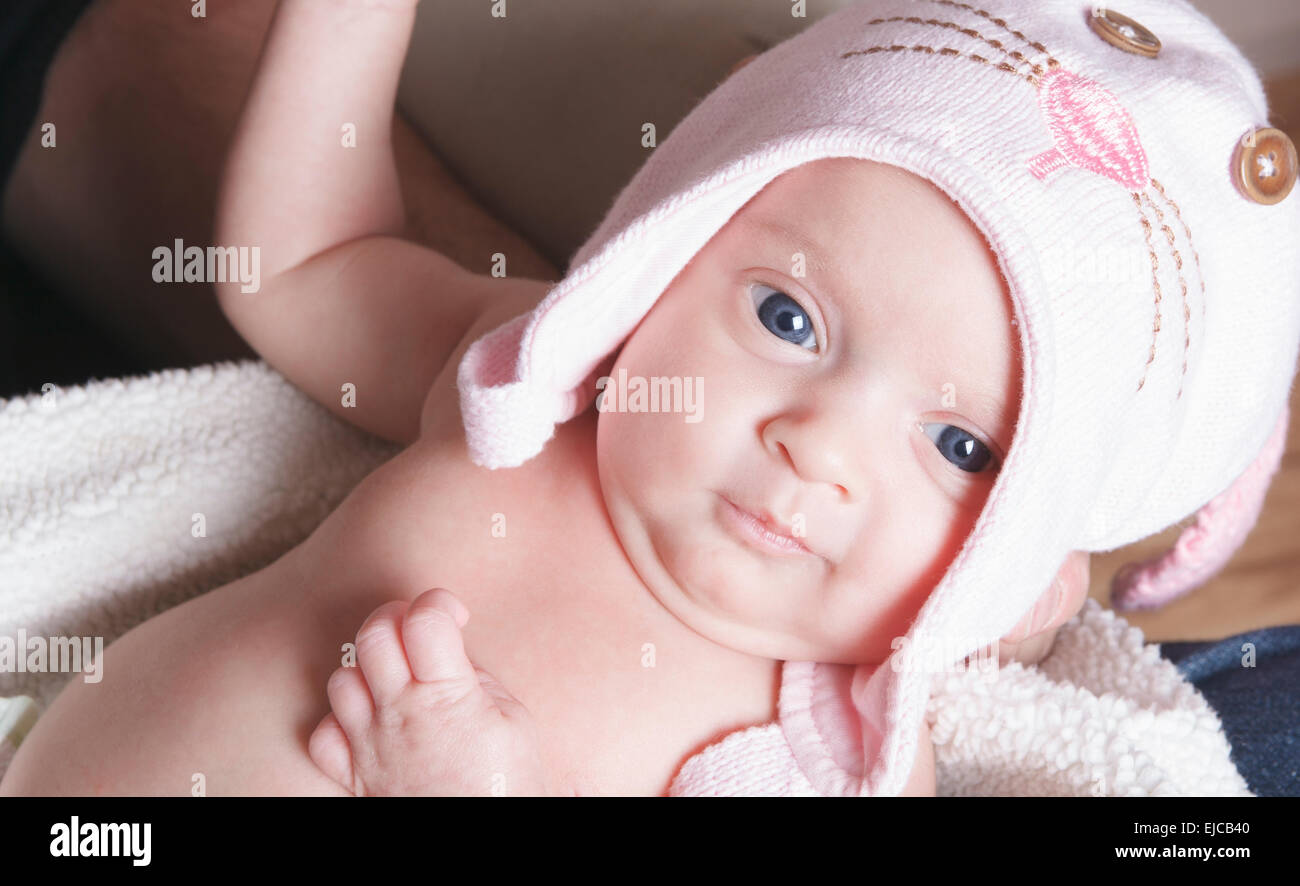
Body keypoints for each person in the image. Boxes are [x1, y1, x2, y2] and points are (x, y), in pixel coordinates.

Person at [2, 0, 1295, 796]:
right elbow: (306, 269)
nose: (818, 443)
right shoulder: (546, 381)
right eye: (788, 317)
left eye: (960, 443)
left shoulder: (836, 753)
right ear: (665, 253)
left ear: (1025, 573)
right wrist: (348, 23)